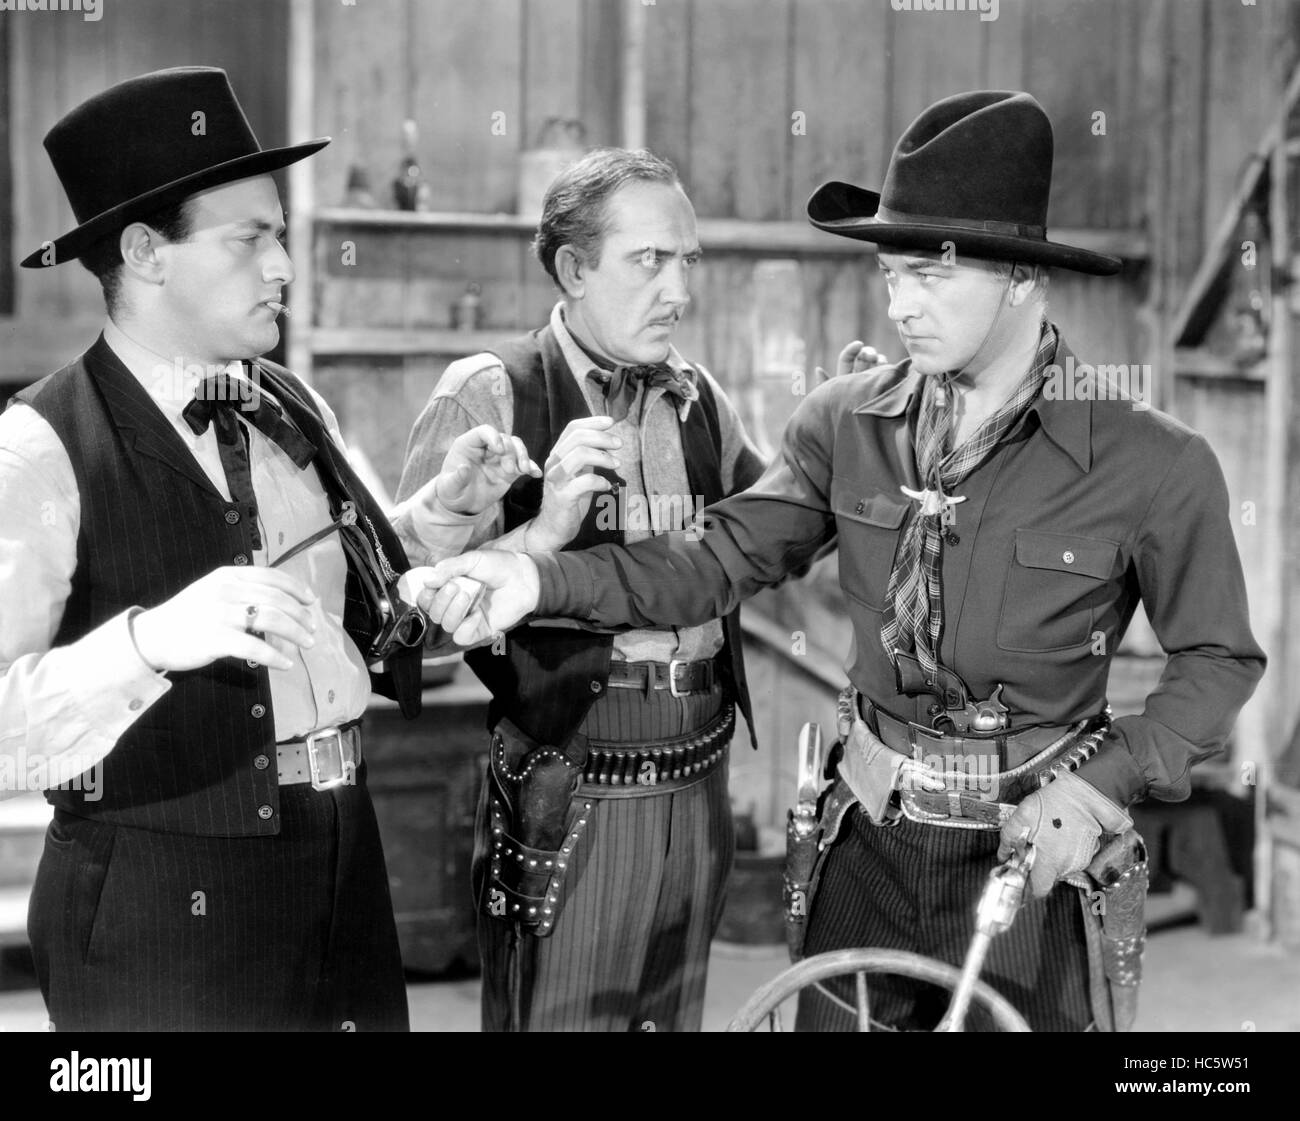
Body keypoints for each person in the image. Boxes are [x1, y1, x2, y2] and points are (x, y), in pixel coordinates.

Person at [418, 91, 1266, 1031]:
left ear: (1023, 274)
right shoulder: (842, 423)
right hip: (862, 854)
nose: (901, 304)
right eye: (892, 272)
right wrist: (538, 575)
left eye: (932, 276)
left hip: (1037, 861)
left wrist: (1104, 786)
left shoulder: (1153, 460)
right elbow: (714, 556)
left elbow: (1218, 661)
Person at [0, 66, 537, 1032]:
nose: (284, 265)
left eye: (280, 235)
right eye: (251, 238)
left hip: (340, 861)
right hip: (160, 908)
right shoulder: (38, 448)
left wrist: (444, 513)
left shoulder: (291, 403)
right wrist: (151, 640)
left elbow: (353, 595)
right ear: (144, 252)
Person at [395, 147, 786, 1031]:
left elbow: (774, 534)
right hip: (568, 785)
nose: (678, 287)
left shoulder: (702, 401)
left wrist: (851, 432)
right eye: (650, 260)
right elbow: (407, 619)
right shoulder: (490, 391)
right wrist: (536, 536)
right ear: (574, 268)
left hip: (700, 772)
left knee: (670, 1019)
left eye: (688, 260)